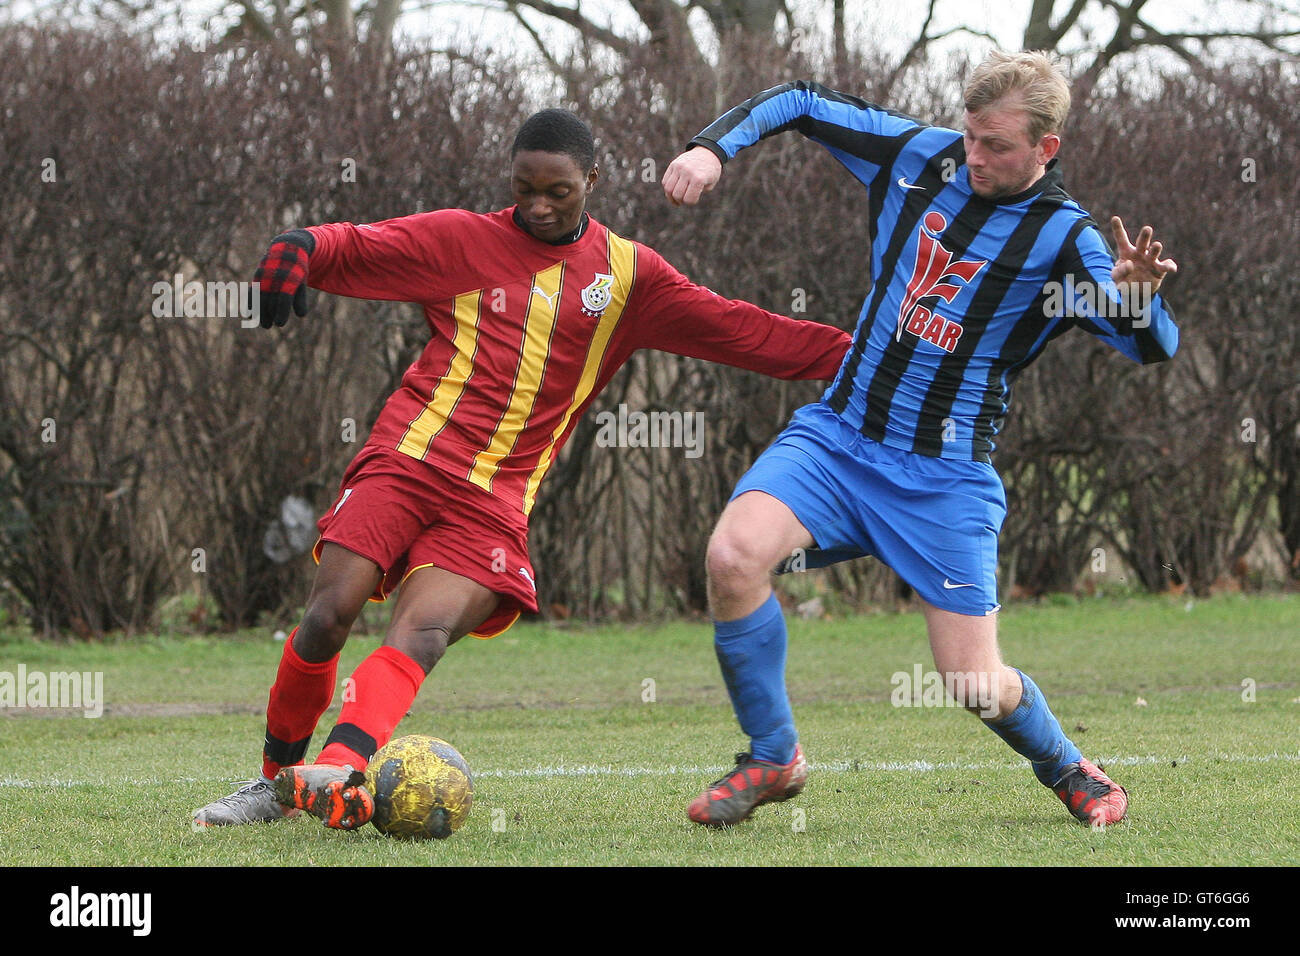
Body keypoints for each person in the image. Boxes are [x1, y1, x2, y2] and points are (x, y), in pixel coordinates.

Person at [193, 108, 851, 829]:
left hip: (495, 498)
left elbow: (740, 329)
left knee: (424, 631)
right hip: (409, 457)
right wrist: (300, 247)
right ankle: (271, 785)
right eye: (524, 188)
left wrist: (862, 358)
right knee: (327, 615)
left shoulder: (629, 276)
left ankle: (341, 774)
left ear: (592, 180)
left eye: (558, 191)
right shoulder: (463, 239)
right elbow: (360, 245)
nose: (538, 205)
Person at [661, 50, 1179, 828]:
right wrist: (712, 147)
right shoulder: (919, 157)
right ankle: (773, 757)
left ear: (1047, 148)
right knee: (732, 559)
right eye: (969, 136)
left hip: (943, 479)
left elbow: (1147, 346)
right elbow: (801, 99)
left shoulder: (1065, 240)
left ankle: (1067, 765)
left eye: (996, 146)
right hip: (838, 440)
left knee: (973, 684)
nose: (973, 157)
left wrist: (1136, 299)